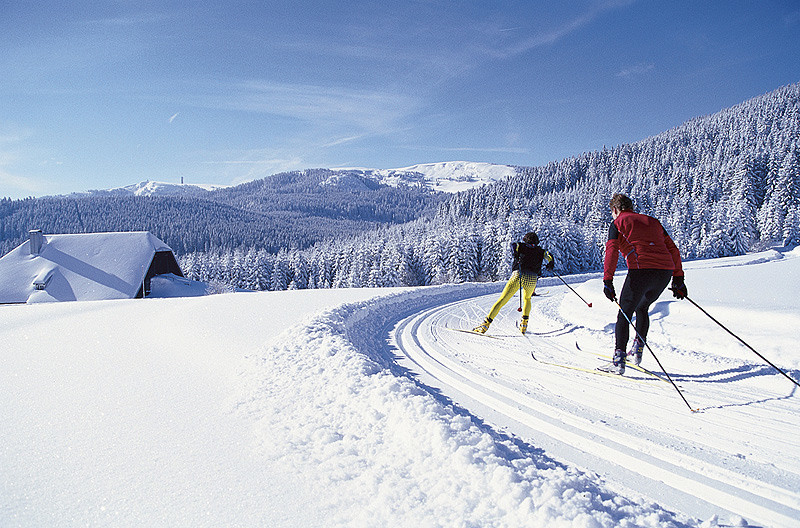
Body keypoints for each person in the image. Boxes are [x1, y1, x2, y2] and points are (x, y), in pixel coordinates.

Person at [600, 193, 687, 374]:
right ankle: (637, 351)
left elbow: (612, 251)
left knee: (624, 313)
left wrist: (608, 279)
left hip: (641, 271)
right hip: (664, 273)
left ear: (615, 210)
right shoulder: (653, 221)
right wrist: (678, 279)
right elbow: (673, 248)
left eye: (612, 212)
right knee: (642, 308)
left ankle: (618, 361)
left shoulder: (617, 223)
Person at [473, 232, 555, 335]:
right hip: (532, 278)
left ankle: (485, 324)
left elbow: (513, 245)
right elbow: (549, 256)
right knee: (527, 299)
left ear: (525, 239)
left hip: (518, 275)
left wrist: (515, 253)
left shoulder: (521, 246)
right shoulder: (541, 251)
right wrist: (550, 264)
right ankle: (524, 325)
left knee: (502, 300)